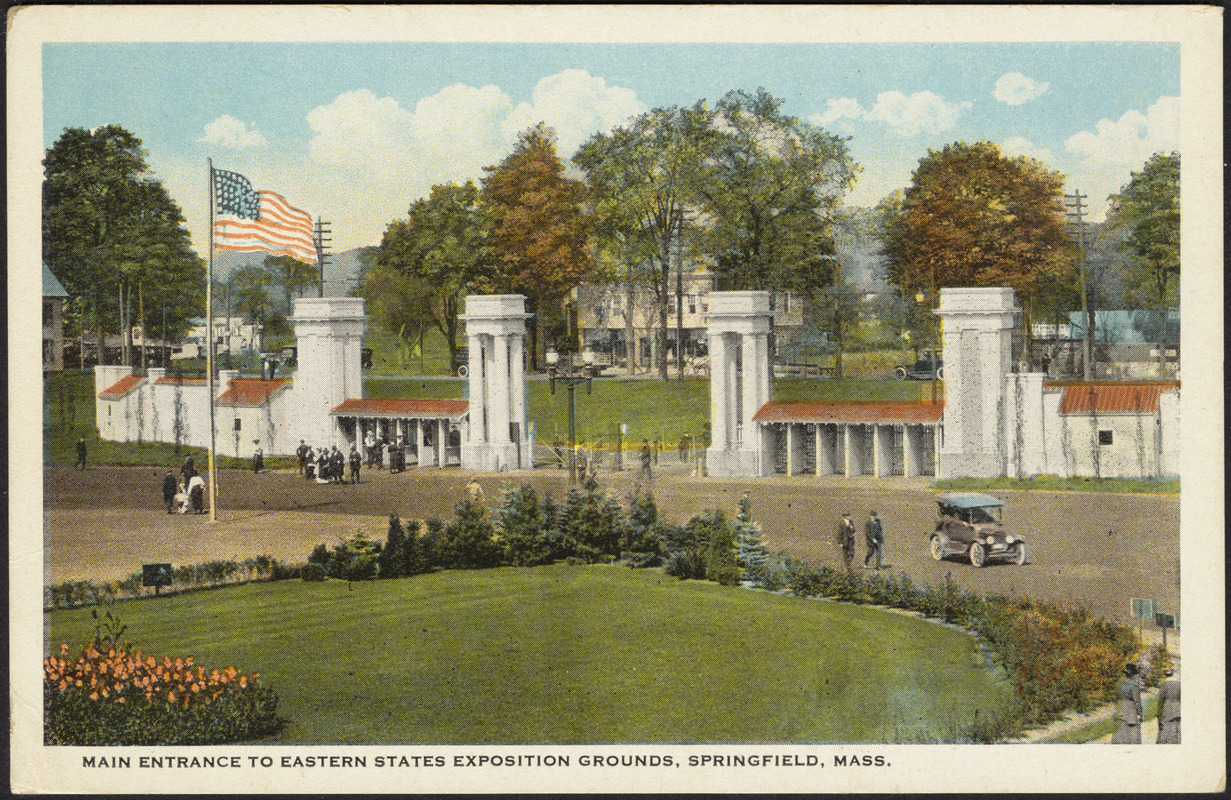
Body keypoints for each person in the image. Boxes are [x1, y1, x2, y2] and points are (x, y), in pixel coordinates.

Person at [1110, 663, 1143, 743]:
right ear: (1133, 675)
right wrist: (1140, 714)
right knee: (1133, 739)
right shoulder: (1134, 686)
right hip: (1131, 715)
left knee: (1120, 737)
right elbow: (1137, 702)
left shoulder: (1119, 686)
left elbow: (1115, 699)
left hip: (1120, 713)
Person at [1156, 666, 1180, 743]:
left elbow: (1160, 702)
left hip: (1167, 709)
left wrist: (1159, 716)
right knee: (1175, 731)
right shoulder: (1179, 684)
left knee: (1164, 732)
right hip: (1177, 710)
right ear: (1172, 673)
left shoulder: (1164, 685)